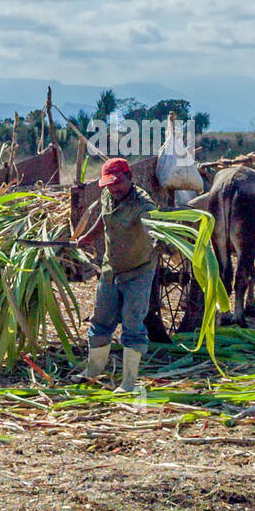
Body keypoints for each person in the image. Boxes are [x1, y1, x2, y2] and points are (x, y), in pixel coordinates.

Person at [72, 157, 156, 392]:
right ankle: (93, 371)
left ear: (130, 178)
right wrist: (88, 236)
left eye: (118, 183)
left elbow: (152, 226)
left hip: (138, 271)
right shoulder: (108, 196)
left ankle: (128, 382)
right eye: (109, 184)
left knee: (132, 324)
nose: (114, 188)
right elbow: (104, 218)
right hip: (110, 270)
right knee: (100, 320)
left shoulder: (143, 204)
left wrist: (156, 236)